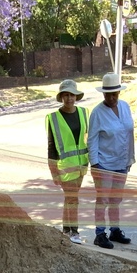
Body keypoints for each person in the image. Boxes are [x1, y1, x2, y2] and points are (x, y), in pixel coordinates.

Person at [88, 72, 135, 249]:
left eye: (114, 94)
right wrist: (95, 164)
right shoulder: (97, 113)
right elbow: (92, 139)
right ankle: (100, 233)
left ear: (119, 93)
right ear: (103, 94)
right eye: (108, 94)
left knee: (116, 199)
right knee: (103, 200)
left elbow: (129, 133)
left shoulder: (125, 107)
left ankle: (115, 229)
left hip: (122, 163)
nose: (111, 97)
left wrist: (130, 158)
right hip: (104, 164)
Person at [47, 79, 89, 244]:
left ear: (76, 96)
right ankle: (74, 231)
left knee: (70, 198)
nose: (69, 98)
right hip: (65, 167)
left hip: (81, 166)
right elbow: (51, 147)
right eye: (65, 95)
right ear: (61, 97)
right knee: (73, 199)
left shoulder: (83, 113)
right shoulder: (54, 118)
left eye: (71, 94)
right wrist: (54, 172)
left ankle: (66, 230)